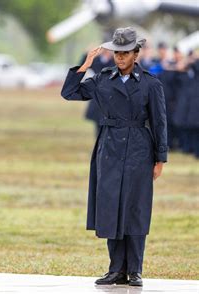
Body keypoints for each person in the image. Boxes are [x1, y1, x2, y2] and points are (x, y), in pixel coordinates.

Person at [61, 27, 168, 287]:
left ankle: (135, 270)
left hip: (139, 150)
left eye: (125, 53)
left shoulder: (151, 84)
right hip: (109, 148)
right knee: (110, 208)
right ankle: (115, 270)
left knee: (135, 209)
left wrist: (160, 158)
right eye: (117, 52)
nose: (120, 57)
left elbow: (159, 121)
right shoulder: (102, 79)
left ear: (136, 53)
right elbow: (70, 93)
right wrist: (86, 64)